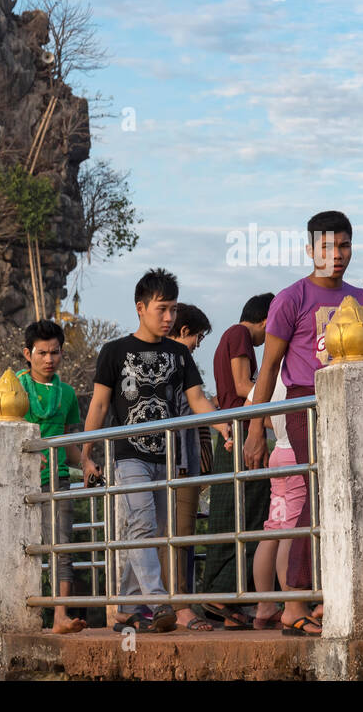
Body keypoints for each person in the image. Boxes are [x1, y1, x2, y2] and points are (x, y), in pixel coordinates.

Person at [244, 211, 363, 637]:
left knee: (356, 497)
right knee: (316, 496)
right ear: (311, 250)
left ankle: (336, 599)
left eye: (344, 246)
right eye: (327, 247)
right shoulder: (291, 299)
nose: (337, 255)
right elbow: (269, 366)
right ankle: (293, 605)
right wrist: (255, 428)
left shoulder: (362, 302)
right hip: (304, 405)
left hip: (357, 407)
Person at [80, 268, 225, 633]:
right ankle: (160, 603)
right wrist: (85, 454)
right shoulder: (114, 351)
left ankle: (126, 608)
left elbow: (196, 399)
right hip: (129, 455)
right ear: (140, 308)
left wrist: (225, 424)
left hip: (167, 456)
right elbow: (98, 406)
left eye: (173, 310)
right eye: (162, 309)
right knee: (144, 527)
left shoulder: (178, 353)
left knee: (154, 532)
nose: (169, 317)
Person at [9, 319, 98, 634]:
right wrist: (31, 460)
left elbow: (67, 442)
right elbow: (2, 436)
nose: (49, 359)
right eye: (42, 353)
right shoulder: (12, 387)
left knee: (61, 546)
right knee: (21, 549)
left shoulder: (68, 393)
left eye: (55, 352)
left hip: (57, 479)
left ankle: (60, 616)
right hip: (20, 485)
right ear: (27, 354)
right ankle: (18, 615)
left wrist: (86, 462)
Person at [200, 292, 273, 628]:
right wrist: (279, 392)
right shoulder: (240, 334)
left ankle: (228, 601)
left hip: (233, 432)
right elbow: (244, 386)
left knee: (233, 514)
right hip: (241, 434)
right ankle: (222, 592)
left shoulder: (230, 338)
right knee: (251, 514)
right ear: (265, 319)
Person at [165, 302, 220, 631]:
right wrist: (222, 424)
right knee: (180, 536)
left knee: (169, 537)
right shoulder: (176, 360)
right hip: (178, 462)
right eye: (197, 337)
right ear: (184, 331)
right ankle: (180, 605)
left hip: (176, 461)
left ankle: (168, 604)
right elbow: (193, 407)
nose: (197, 344)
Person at [249, 376, 300, 631]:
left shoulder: (274, 373)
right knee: (291, 530)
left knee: (273, 530)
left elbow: (250, 405)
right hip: (295, 452)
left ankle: (264, 606)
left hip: (279, 452)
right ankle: (292, 607)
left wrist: (275, 424)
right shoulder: (299, 367)